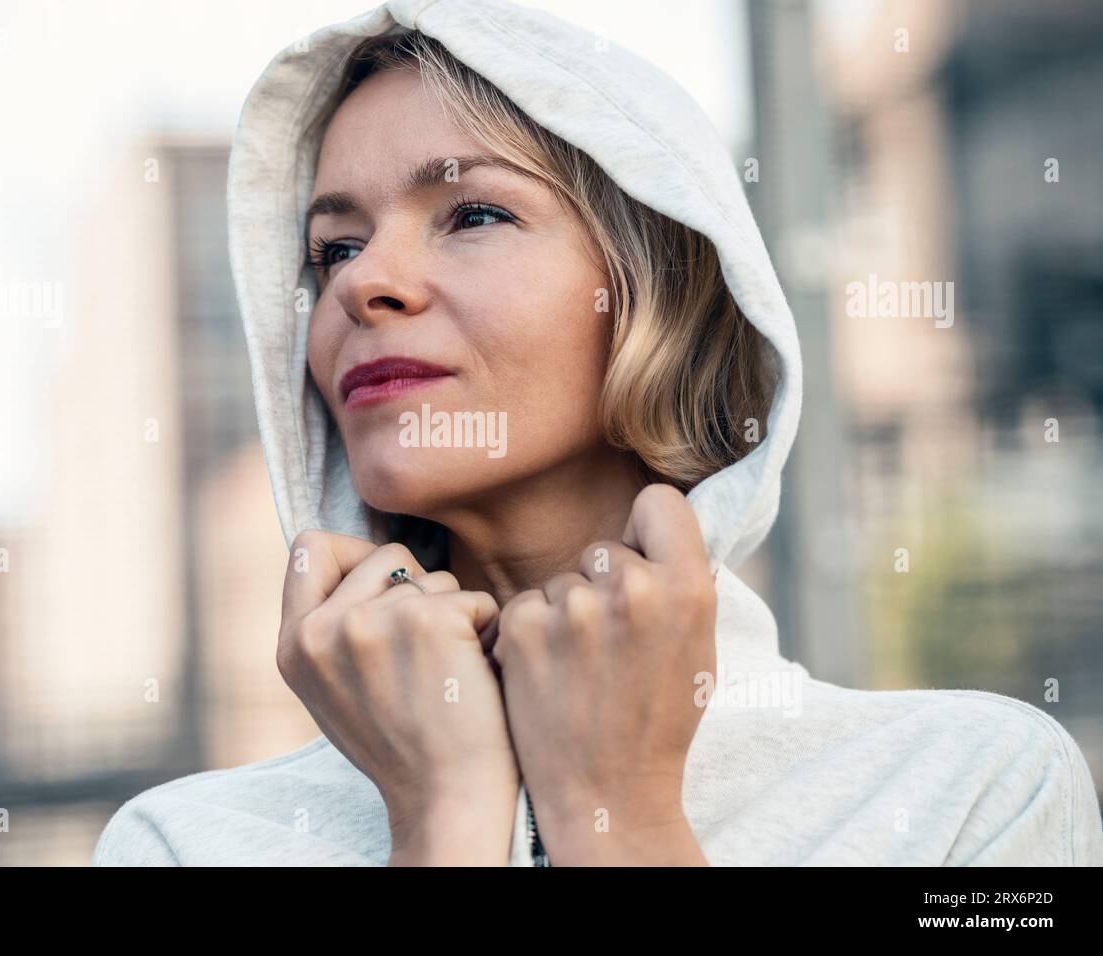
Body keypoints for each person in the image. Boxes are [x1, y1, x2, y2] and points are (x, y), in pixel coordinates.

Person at [93, 0, 1103, 866]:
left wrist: (619, 812)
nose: (362, 281)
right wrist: (442, 823)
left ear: (656, 290)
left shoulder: (971, 794)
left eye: (473, 213)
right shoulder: (184, 845)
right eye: (333, 248)